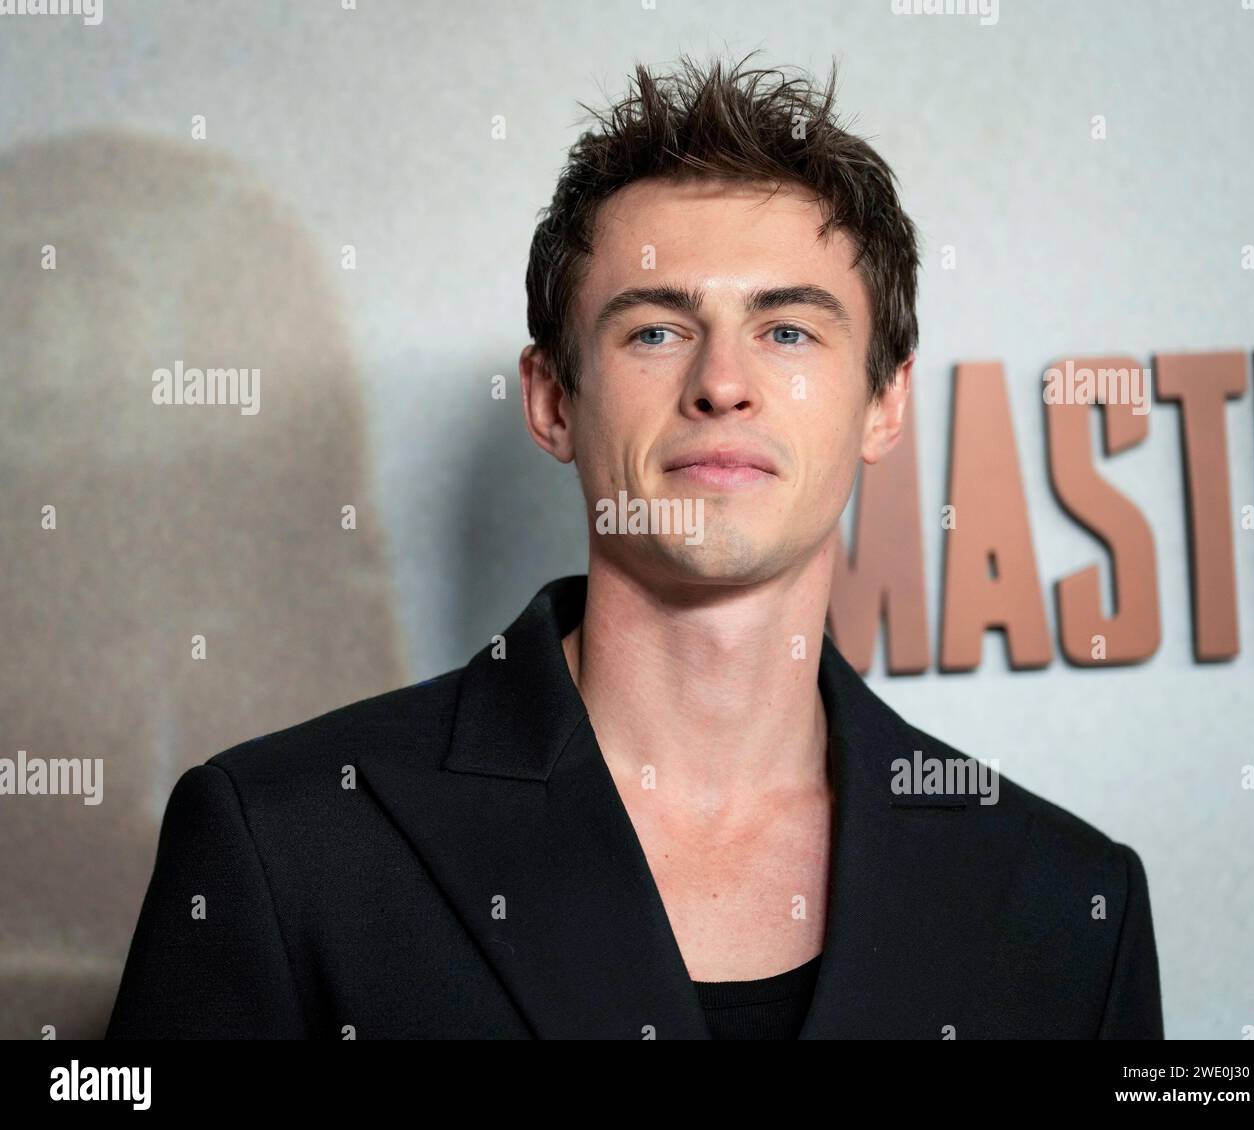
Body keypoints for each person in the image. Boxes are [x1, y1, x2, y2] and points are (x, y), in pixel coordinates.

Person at [105, 53, 1162, 1040]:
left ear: (884, 402)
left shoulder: (1067, 902)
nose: (722, 381)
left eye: (788, 329)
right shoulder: (283, 845)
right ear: (553, 398)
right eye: (655, 328)